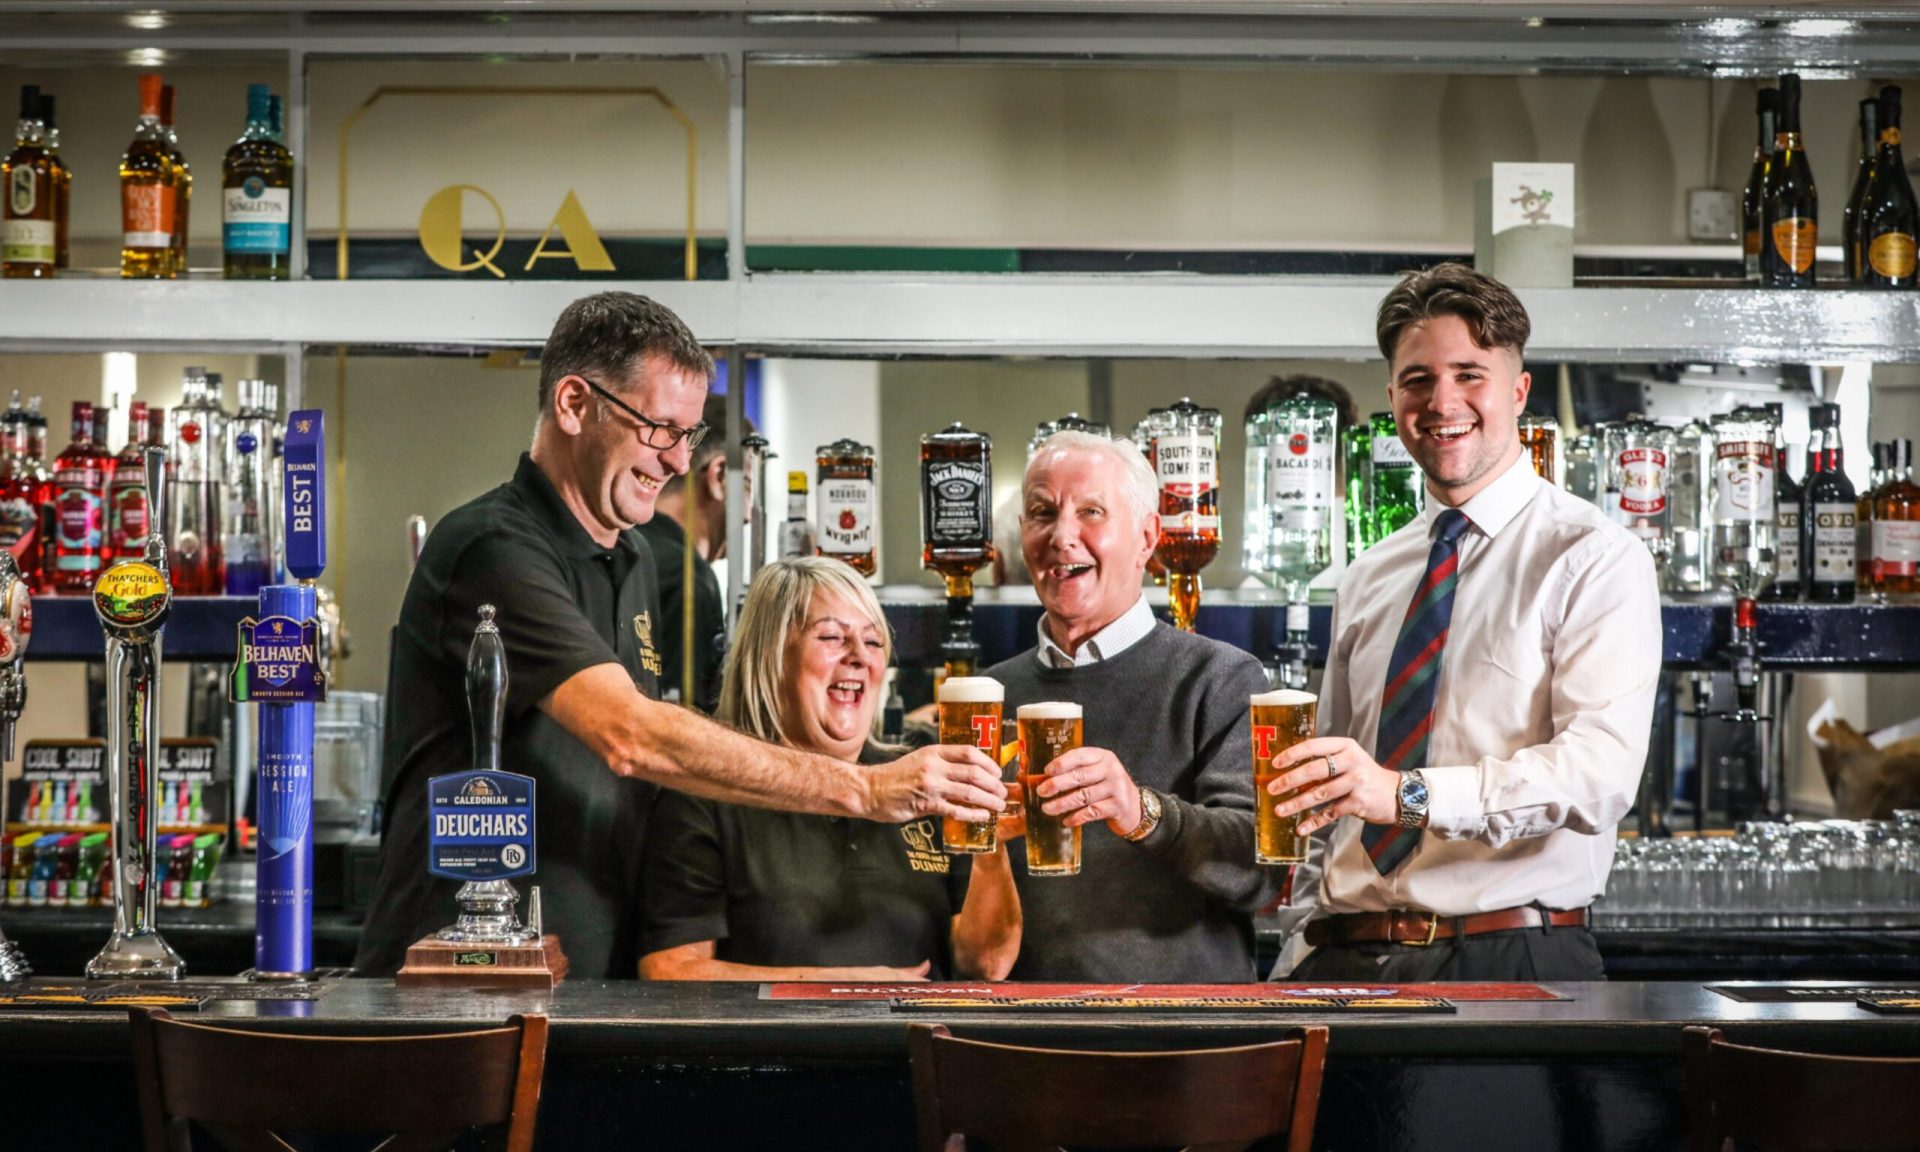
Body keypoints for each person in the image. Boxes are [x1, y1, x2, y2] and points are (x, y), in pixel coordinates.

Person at [355, 293, 1004, 979]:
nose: (676, 463)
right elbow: (630, 736)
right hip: (463, 978)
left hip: (579, 981)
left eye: (689, 437)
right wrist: (866, 790)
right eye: (661, 429)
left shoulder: (635, 558)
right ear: (574, 404)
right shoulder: (494, 547)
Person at [1265, 264, 1660, 982]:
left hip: (1507, 955)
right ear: (1393, 398)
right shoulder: (1371, 573)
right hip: (1343, 956)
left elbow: (1598, 776)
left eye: (1469, 375)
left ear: (1518, 391)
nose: (1442, 402)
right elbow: (1334, 790)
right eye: (1417, 380)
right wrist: (1299, 948)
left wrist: (1409, 796)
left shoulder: (1593, 556)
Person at [980, 430, 1276, 983]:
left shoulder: (1220, 677)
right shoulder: (987, 696)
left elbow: (1259, 873)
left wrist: (1141, 812)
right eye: (1043, 513)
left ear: (1146, 538)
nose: (1062, 536)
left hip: (1183, 1027)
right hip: (1022, 1027)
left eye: (1091, 512)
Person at [639, 558, 1022, 981]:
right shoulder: (706, 792)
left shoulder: (922, 777)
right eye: (832, 636)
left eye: (873, 641)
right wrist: (845, 987)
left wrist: (990, 852)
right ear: (770, 656)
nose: (859, 656)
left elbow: (986, 964)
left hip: (921, 1026)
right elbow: (670, 970)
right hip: (775, 1029)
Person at [638, 391, 743, 712]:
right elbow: (684, 715)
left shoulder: (616, 548)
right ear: (720, 476)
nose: (749, 515)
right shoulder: (689, 578)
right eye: (749, 485)